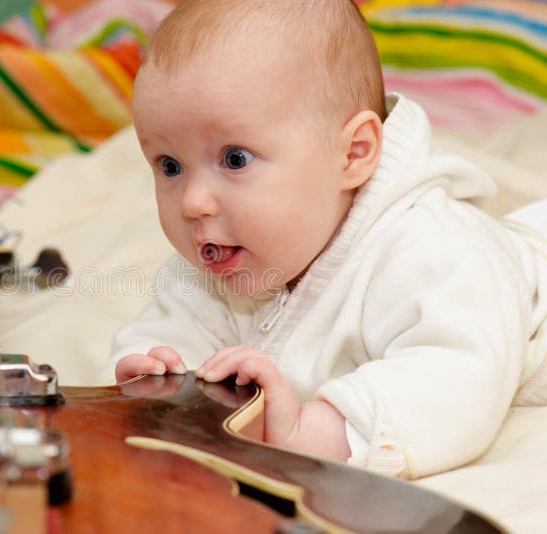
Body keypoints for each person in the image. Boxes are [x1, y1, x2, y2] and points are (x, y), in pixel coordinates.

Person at [99, 0, 547, 479]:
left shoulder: (431, 251)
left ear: (353, 154)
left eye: (234, 159)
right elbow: (172, 332)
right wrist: (156, 385)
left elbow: (457, 380)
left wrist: (315, 432)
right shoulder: (212, 263)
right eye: (170, 166)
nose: (193, 202)